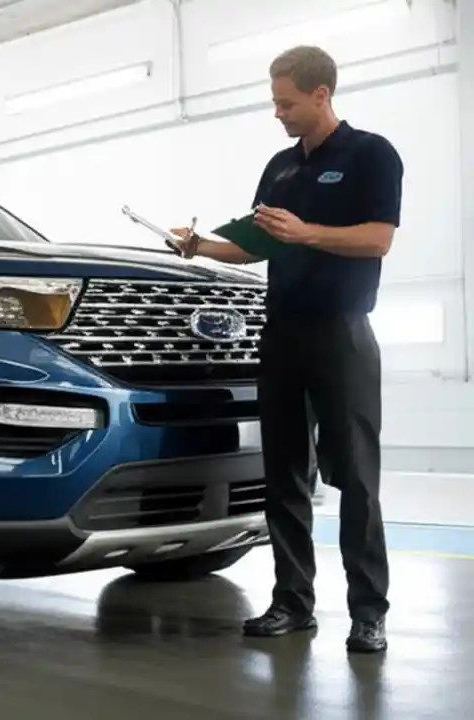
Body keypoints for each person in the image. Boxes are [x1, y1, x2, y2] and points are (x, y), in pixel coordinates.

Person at [169, 45, 401, 654]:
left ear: (321, 94)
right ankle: (293, 602)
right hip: (283, 335)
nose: (278, 113)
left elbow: (378, 240)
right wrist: (198, 246)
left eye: (286, 102)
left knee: (356, 478)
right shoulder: (278, 167)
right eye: (275, 102)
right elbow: (253, 244)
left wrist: (308, 234)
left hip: (342, 333)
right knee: (284, 476)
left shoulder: (372, 155)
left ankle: (368, 612)